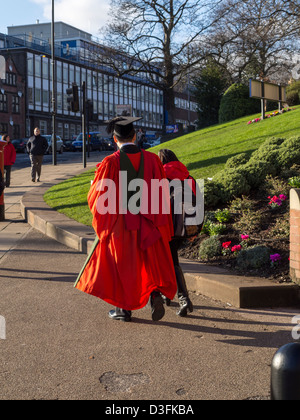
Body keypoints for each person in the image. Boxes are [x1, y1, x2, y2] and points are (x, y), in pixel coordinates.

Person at [75, 116, 177, 322]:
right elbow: (161, 195)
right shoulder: (153, 160)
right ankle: (154, 295)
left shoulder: (110, 163)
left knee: (122, 266)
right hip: (149, 222)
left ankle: (123, 310)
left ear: (115, 139)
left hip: (122, 225)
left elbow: (99, 198)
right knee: (148, 262)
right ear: (135, 135)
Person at [158, 148, 195, 317]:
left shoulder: (160, 177)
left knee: (169, 262)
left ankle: (183, 298)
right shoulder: (188, 176)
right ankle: (168, 294)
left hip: (167, 228)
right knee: (171, 259)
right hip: (184, 228)